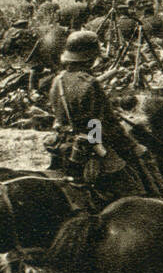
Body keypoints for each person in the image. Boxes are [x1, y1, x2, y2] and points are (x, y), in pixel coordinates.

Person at [46, 30, 154, 202]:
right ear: (90, 58)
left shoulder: (57, 81)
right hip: (90, 147)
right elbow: (104, 124)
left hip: (63, 144)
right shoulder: (90, 84)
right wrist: (132, 146)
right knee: (135, 190)